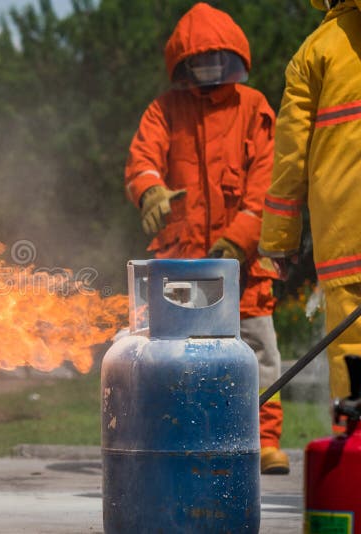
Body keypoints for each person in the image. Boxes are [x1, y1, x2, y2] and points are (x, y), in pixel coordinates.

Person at [125, 3, 288, 474]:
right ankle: (185, 440)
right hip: (183, 264)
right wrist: (150, 188)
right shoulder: (164, 109)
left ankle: (264, 441)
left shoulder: (254, 107)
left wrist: (239, 240)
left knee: (256, 351)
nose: (209, 71)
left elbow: (268, 184)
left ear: (235, 58)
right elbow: (142, 159)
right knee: (180, 359)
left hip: (245, 265)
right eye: (198, 62)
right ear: (182, 64)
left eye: (217, 61)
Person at [259, 0, 361, 432]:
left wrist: (279, 242)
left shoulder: (315, 52)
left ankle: (354, 471)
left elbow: (290, 161)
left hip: (348, 241)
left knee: (354, 351)